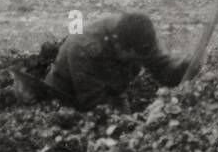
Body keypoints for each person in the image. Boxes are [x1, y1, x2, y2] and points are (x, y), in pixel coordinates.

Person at [21, 12, 194, 111]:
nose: (137, 61)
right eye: (132, 57)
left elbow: (163, 69)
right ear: (118, 45)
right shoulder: (84, 48)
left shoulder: (140, 37)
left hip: (111, 91)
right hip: (66, 97)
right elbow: (94, 103)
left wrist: (184, 69)